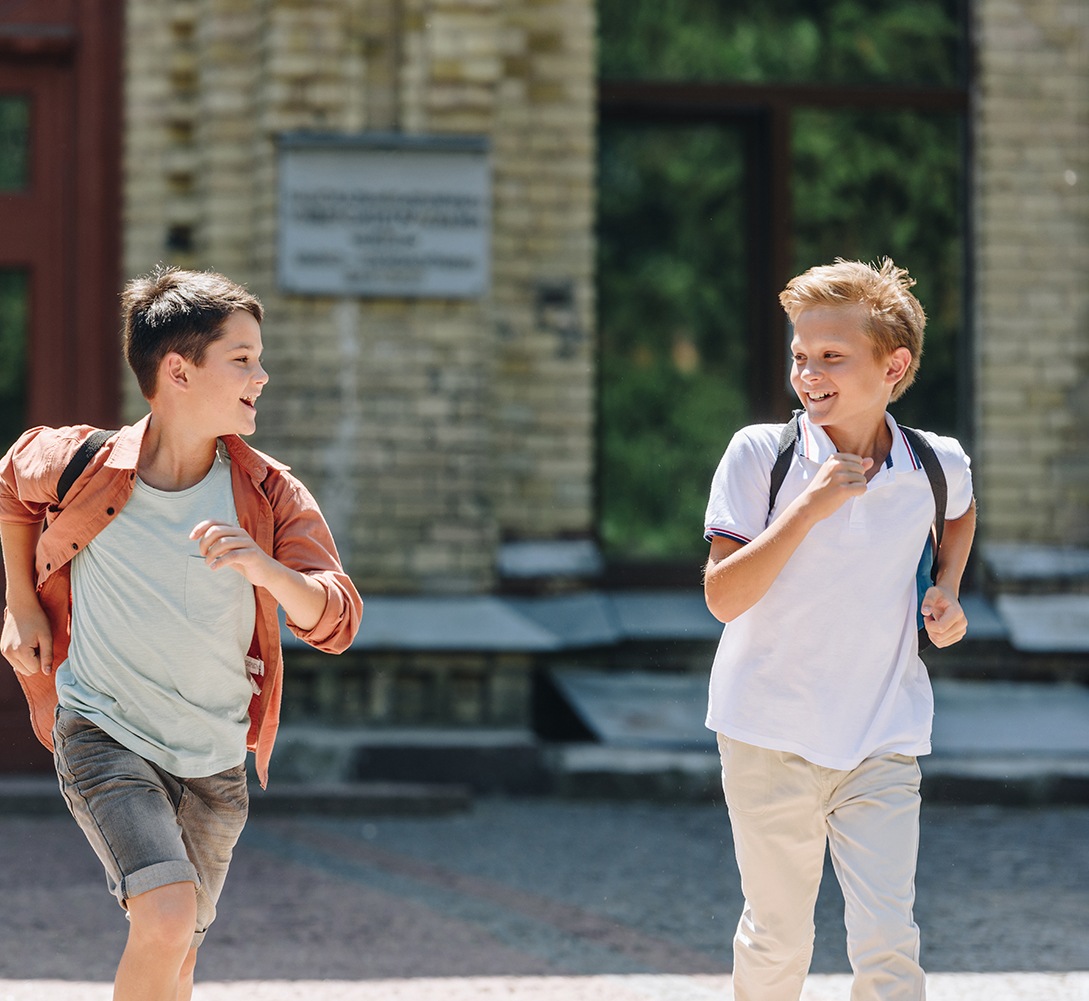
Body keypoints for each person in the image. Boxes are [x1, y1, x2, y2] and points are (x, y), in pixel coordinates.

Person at [0, 267, 362, 1001]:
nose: (262, 374)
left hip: (215, 764)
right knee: (164, 919)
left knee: (178, 954)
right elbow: (12, 477)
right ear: (177, 370)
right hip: (104, 732)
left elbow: (336, 618)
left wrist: (267, 570)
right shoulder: (87, 466)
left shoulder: (270, 494)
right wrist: (21, 605)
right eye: (243, 358)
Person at [703, 258, 975, 1001]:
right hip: (765, 732)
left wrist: (947, 591)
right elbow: (723, 597)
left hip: (882, 733)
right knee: (778, 934)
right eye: (799, 355)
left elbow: (958, 516)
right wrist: (809, 507)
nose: (808, 372)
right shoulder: (762, 454)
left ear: (894, 364)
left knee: (889, 939)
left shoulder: (936, 463)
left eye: (831, 356)